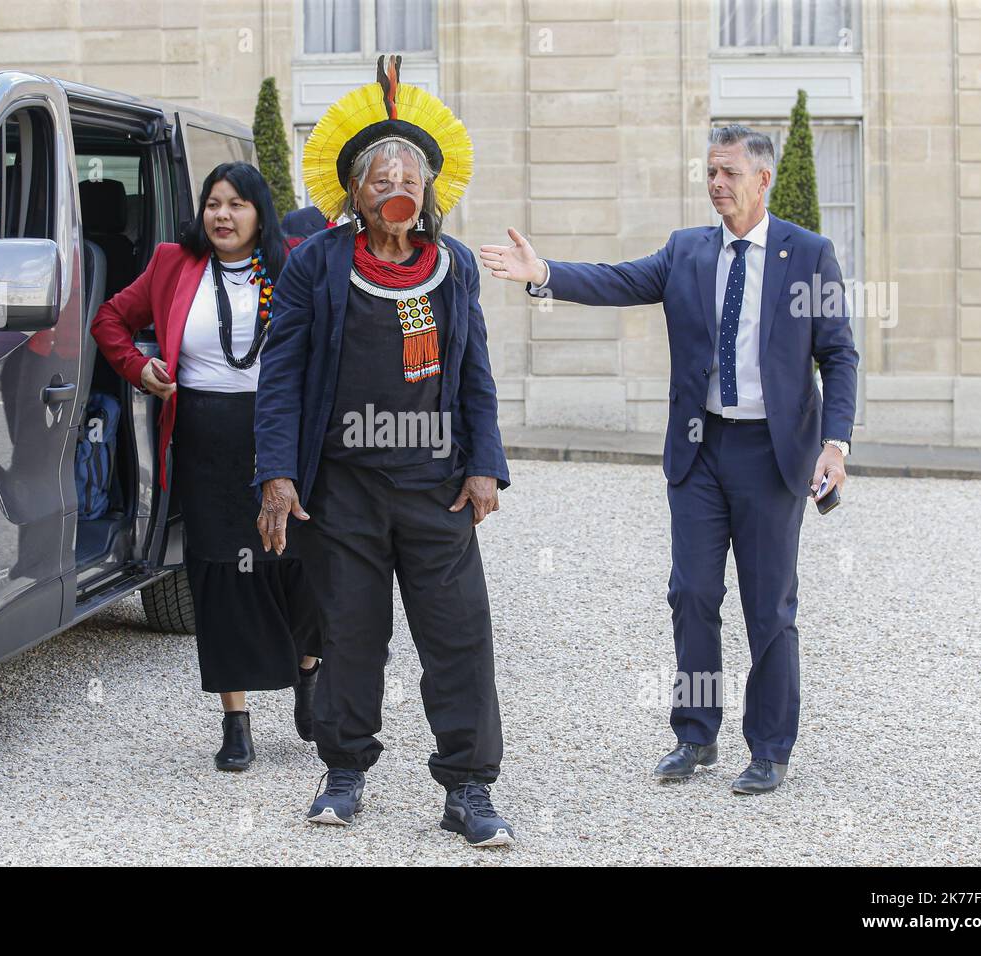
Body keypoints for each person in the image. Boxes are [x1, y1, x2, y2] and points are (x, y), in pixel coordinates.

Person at [480, 124, 859, 795]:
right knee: (691, 594)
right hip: (701, 450)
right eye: (710, 172)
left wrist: (836, 442)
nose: (716, 184)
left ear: (762, 179)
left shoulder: (808, 254)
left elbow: (838, 353)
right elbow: (618, 281)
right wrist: (542, 275)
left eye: (729, 173)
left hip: (773, 453)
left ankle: (769, 745)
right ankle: (695, 735)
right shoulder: (687, 251)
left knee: (768, 605)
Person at [254, 56, 515, 847]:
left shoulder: (455, 266)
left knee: (459, 635)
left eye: (409, 174)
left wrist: (482, 464)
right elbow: (282, 376)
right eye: (380, 177)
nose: (396, 185)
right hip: (344, 488)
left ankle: (468, 788)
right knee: (349, 633)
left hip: (434, 484)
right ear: (356, 195)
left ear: (431, 189)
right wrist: (277, 475)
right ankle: (344, 770)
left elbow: (475, 370)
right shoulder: (316, 265)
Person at [91, 161, 322, 772]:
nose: (221, 215)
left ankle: (309, 675)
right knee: (220, 575)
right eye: (212, 203)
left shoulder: (296, 261)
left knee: (300, 563)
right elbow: (109, 320)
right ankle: (236, 719)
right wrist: (138, 369)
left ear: (259, 212)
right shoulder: (173, 263)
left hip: (285, 436)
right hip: (204, 438)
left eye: (236, 204)